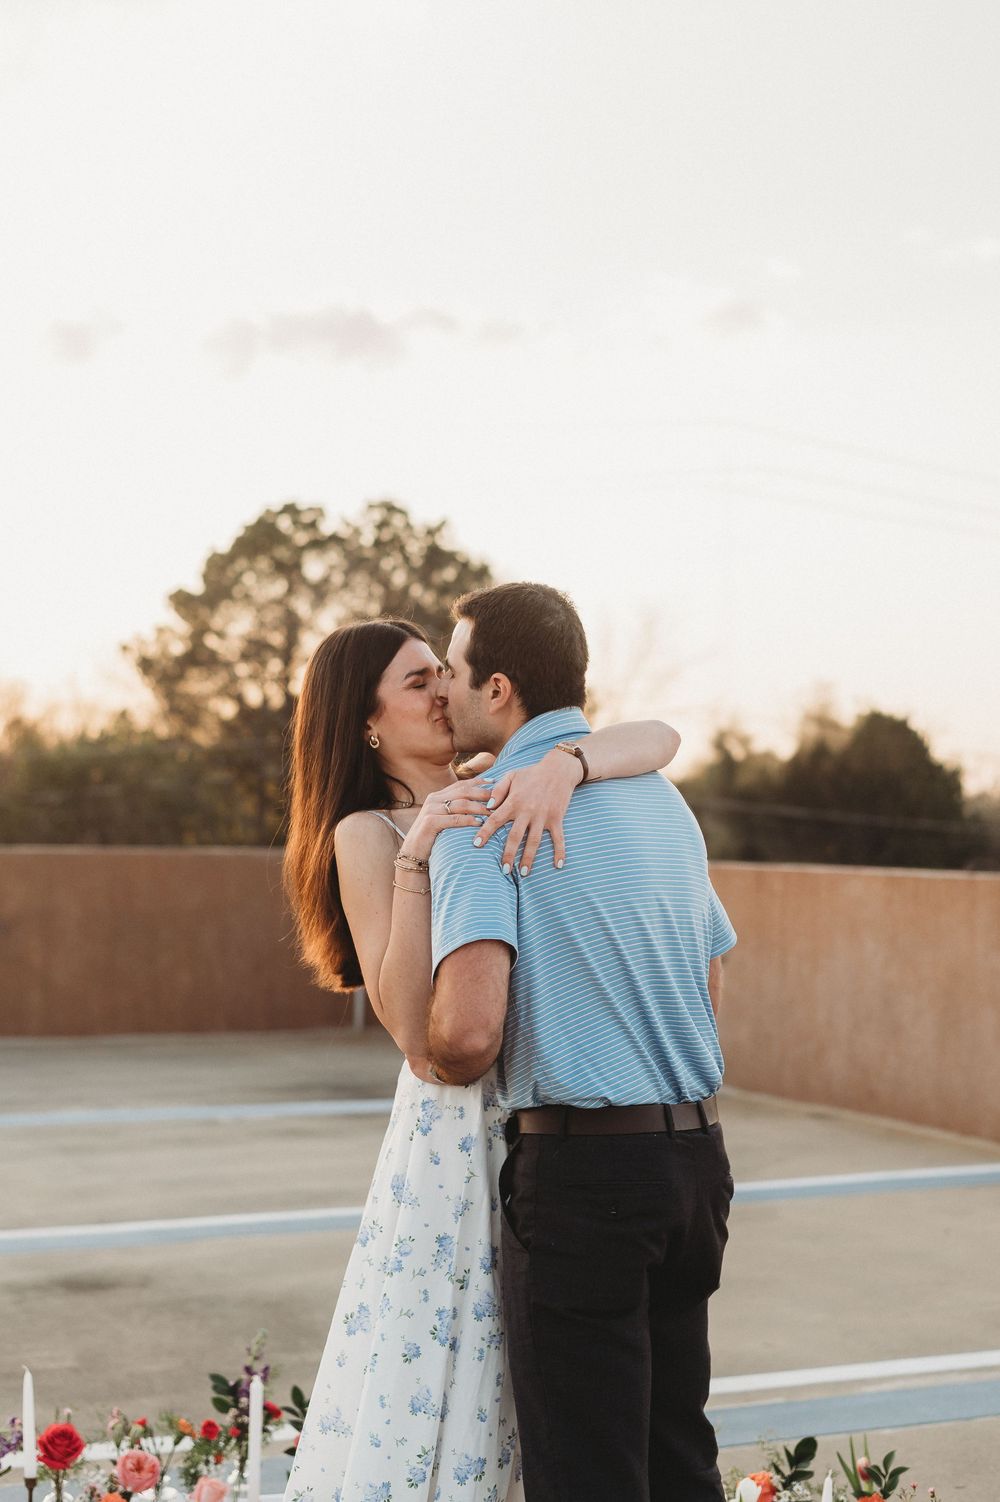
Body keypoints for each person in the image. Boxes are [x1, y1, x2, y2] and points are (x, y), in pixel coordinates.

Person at [280, 615, 681, 1502]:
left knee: (574, 1375)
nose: (441, 691)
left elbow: (660, 737)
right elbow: (413, 1036)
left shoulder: (507, 781)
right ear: (366, 722)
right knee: (464, 1359)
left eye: (441, 671)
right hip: (458, 1127)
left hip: (563, 1110)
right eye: (416, 680)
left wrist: (565, 764)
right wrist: (420, 853)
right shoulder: (368, 832)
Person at [426, 582, 738, 1502]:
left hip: (584, 1181)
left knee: (586, 1476)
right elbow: (713, 977)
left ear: (498, 689)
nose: (443, 688)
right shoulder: (663, 801)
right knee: (679, 1457)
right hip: (694, 1161)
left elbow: (468, 1036)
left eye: (454, 670)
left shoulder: (482, 815)